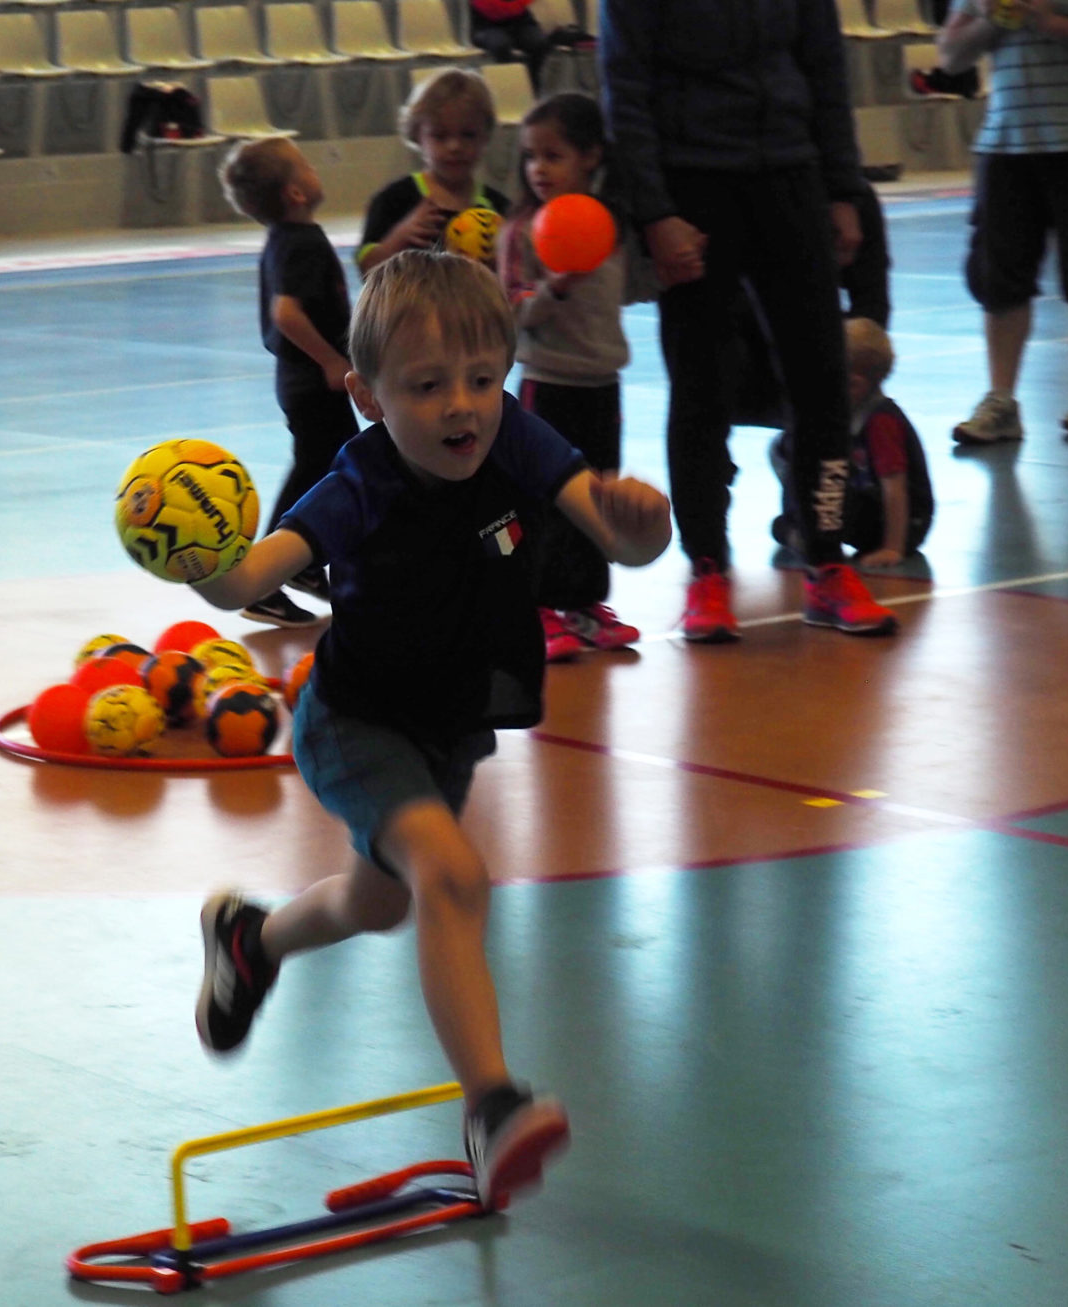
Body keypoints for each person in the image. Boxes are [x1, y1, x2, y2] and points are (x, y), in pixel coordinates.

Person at [189, 250, 673, 1209]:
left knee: (386, 900)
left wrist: (643, 523)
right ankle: (493, 1107)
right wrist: (203, 564)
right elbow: (255, 576)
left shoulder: (520, 445)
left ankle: (253, 939)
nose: (463, 405)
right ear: (367, 395)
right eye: (427, 386)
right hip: (354, 722)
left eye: (482, 379)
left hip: (450, 730)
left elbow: (626, 542)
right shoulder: (361, 482)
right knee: (451, 873)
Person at [598, 0, 901, 644]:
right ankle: (708, 570)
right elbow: (624, 89)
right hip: (693, 190)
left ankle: (825, 561)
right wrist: (653, 212)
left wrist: (843, 189)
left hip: (792, 181)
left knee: (822, 380)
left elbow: (825, 72)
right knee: (702, 387)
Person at [939, 0, 1068, 446]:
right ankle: (1001, 402)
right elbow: (951, 54)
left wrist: (1049, 21)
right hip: (1007, 136)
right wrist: (993, 19)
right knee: (999, 276)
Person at [498, 91, 645, 661]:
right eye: (531, 156)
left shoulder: (608, 226)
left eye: (552, 155)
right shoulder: (521, 231)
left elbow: (624, 295)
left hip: (602, 382)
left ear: (590, 157)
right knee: (544, 500)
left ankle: (585, 604)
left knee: (597, 497)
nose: (538, 168)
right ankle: (537, 608)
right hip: (548, 384)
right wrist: (552, 289)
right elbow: (510, 310)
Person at [220, 136, 350, 629]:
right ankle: (268, 577)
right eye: (308, 167)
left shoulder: (286, 240)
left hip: (300, 383)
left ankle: (304, 563)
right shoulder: (302, 244)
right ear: (296, 193)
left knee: (327, 466)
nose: (317, 172)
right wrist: (331, 361)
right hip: (312, 382)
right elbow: (287, 312)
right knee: (322, 470)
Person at [772, 319, 932, 566]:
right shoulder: (847, 412)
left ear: (858, 384)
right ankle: (802, 528)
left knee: (824, 484)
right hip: (867, 507)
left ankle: (806, 532)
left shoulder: (881, 421)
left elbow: (895, 487)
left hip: (903, 522)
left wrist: (893, 548)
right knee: (790, 457)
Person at [358, 69, 509, 276]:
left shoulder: (497, 208)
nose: (455, 146)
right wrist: (400, 236)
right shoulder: (395, 200)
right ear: (418, 136)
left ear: (485, 137)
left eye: (468, 135)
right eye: (440, 136)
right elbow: (367, 270)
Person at [469, 0, 551, 89]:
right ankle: (508, 88)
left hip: (520, 21)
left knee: (539, 43)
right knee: (500, 45)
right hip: (487, 25)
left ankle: (532, 85)